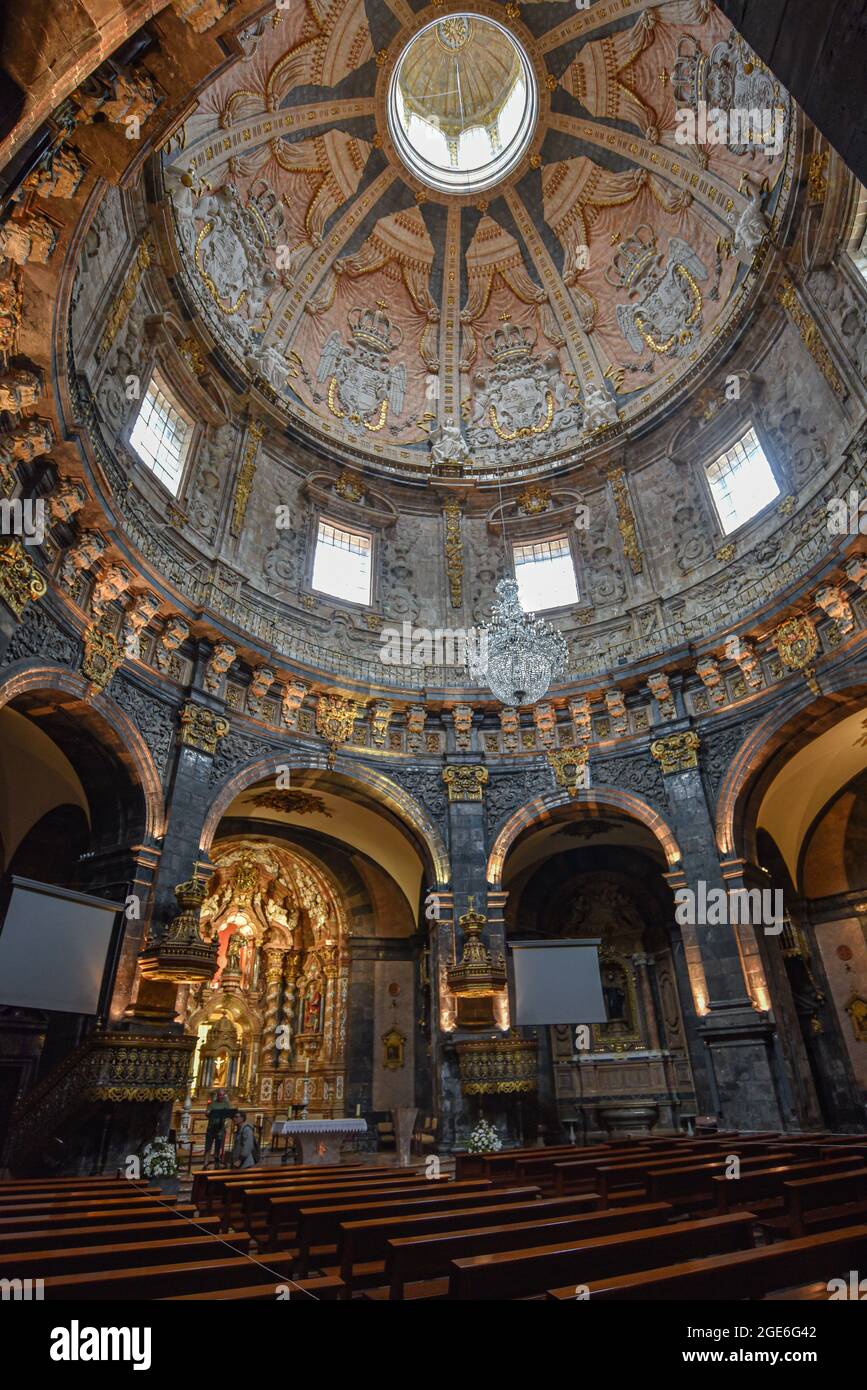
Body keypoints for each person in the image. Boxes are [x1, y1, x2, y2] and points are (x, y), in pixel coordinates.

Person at [203, 1088, 235, 1166]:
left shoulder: (226, 1104)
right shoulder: (212, 1104)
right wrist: (208, 1113)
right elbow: (207, 1113)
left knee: (218, 1147)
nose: (221, 1097)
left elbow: (229, 1114)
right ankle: (206, 1162)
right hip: (211, 1128)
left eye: (222, 1095)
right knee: (208, 1146)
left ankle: (217, 1161)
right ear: (217, 1095)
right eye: (220, 1095)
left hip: (220, 1128)